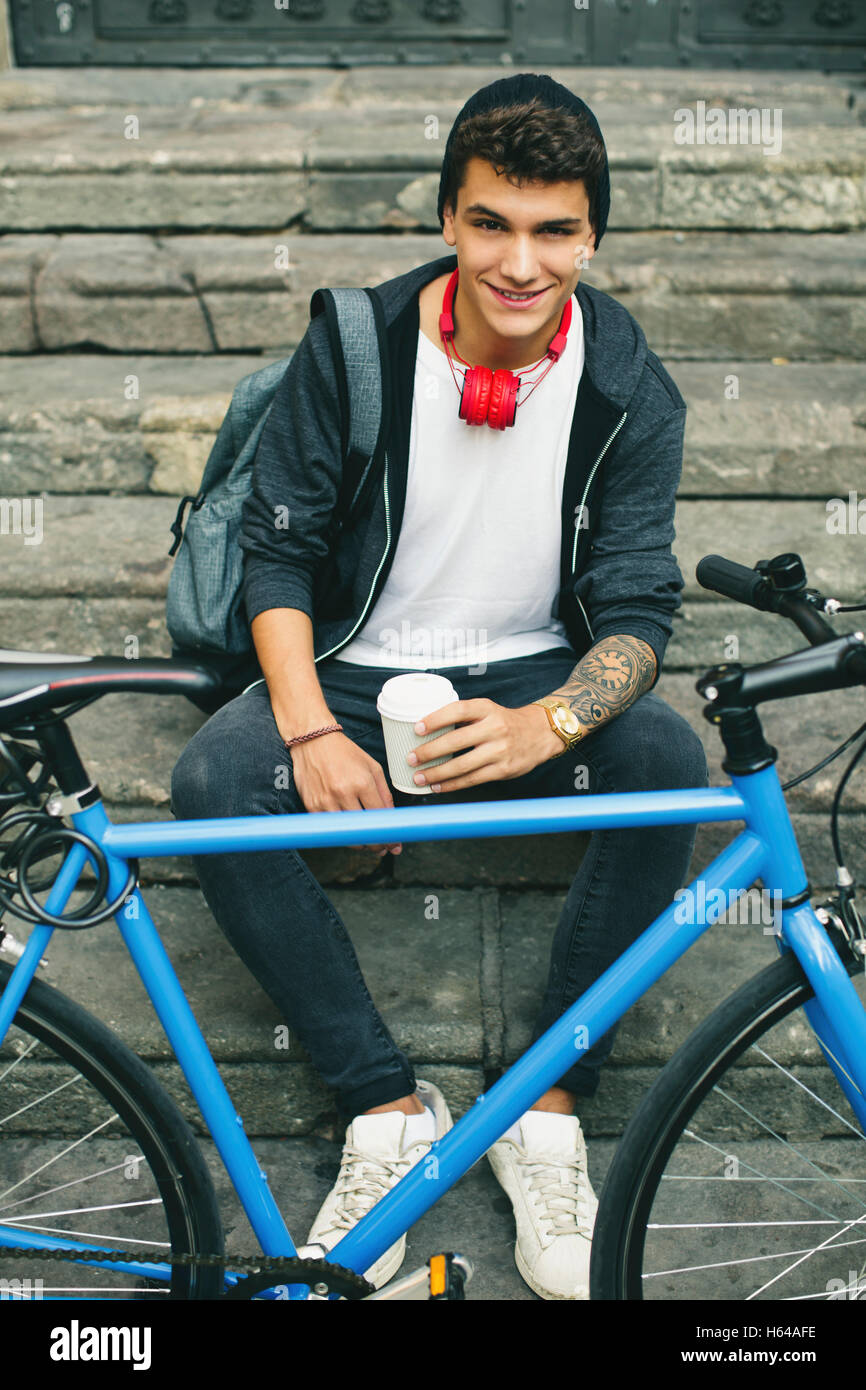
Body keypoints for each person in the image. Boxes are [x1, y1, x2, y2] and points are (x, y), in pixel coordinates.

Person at [170, 72, 708, 1301]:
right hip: (354, 663)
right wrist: (306, 726)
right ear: (449, 221)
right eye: (489, 223)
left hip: (524, 664)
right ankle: (383, 1105)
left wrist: (548, 722)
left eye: (554, 228)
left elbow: (633, 609)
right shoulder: (355, 345)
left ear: (592, 233)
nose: (520, 263)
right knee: (211, 780)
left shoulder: (626, 379)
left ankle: (544, 1100)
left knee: (666, 765)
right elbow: (280, 553)